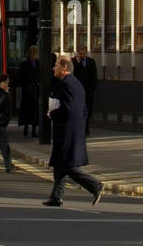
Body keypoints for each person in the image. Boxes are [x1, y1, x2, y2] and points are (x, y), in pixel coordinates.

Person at [43, 53, 103, 207]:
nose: (53, 68)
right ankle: (56, 197)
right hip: (73, 130)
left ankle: (95, 185)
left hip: (67, 131)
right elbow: (82, 110)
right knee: (60, 164)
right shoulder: (75, 83)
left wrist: (53, 113)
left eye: (56, 65)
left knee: (68, 165)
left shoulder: (66, 84)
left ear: (64, 68)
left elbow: (69, 109)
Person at [72, 43, 98, 135]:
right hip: (77, 91)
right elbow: (72, 75)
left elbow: (94, 76)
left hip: (88, 90)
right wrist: (78, 63)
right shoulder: (74, 62)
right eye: (81, 54)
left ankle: (86, 126)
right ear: (78, 53)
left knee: (87, 108)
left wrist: (92, 88)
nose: (82, 56)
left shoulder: (91, 62)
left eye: (84, 54)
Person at [17, 45, 40, 137]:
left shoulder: (38, 63)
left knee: (35, 110)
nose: (34, 55)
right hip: (27, 91)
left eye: (35, 53)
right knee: (27, 109)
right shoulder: (24, 63)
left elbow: (39, 74)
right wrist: (26, 86)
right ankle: (26, 126)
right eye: (32, 52)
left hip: (35, 89)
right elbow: (21, 77)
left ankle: (34, 130)